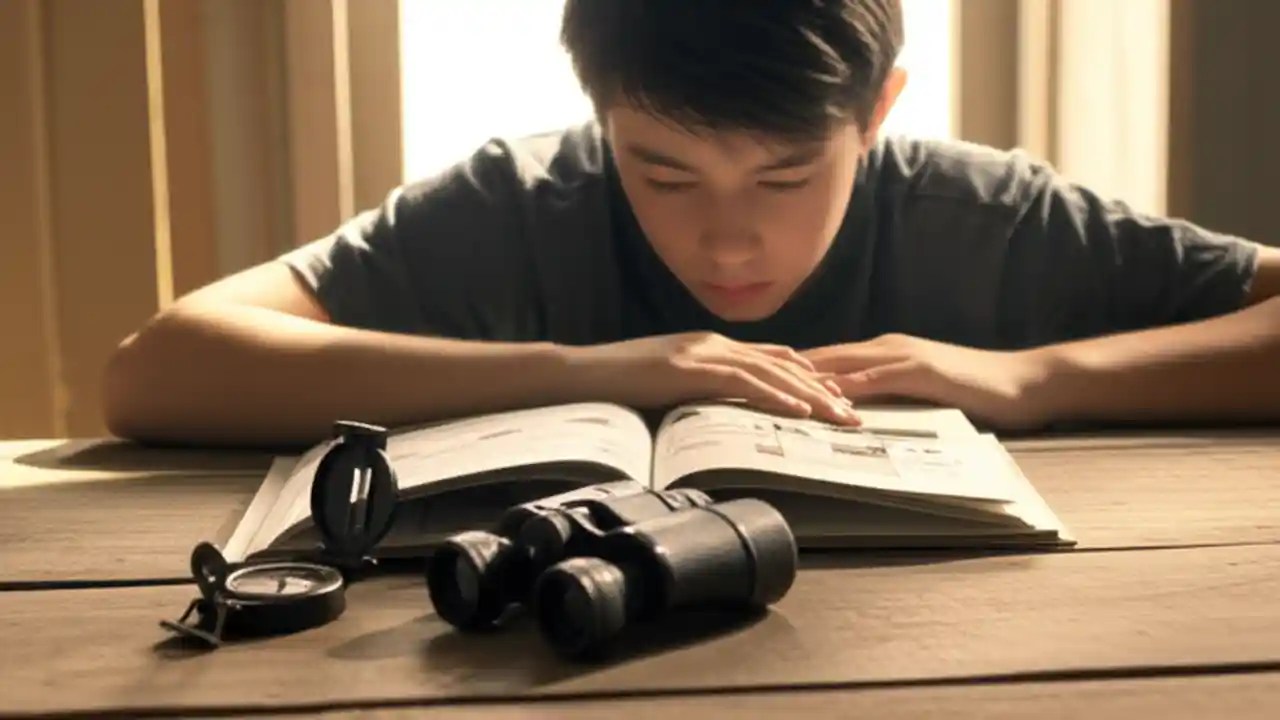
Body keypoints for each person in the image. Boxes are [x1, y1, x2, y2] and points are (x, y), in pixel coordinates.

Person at [103, 0, 1280, 447]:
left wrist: (1041, 378)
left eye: (780, 179)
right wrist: (581, 371)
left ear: (875, 111)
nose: (725, 245)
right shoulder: (524, 204)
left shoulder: (978, 214)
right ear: (601, 115)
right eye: (661, 175)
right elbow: (158, 371)